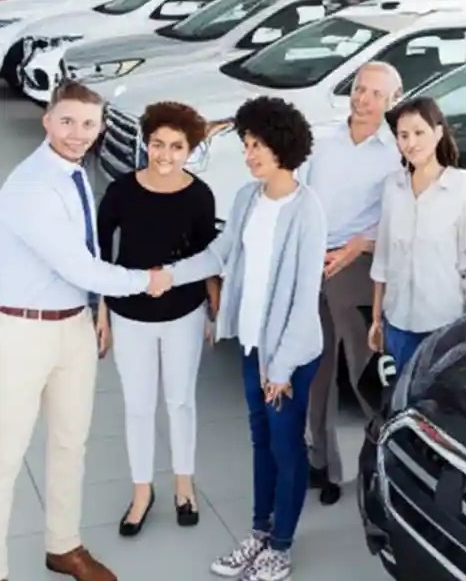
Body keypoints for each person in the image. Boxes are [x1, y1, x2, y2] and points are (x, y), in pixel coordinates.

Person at [0, 81, 172, 581]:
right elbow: (78, 265)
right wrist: (145, 281)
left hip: (72, 328)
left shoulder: (74, 173)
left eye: (88, 124)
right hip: (22, 333)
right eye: (67, 121)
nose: (77, 134)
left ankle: (63, 546)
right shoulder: (32, 186)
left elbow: (86, 257)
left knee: (70, 444)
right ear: (47, 119)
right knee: (3, 458)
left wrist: (96, 310)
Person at [164, 96, 327, 581]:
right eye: (246, 145)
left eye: (256, 145)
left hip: (289, 356)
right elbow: (220, 253)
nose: (248, 154)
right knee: (260, 441)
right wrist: (168, 273)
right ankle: (259, 532)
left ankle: (281, 546)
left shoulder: (307, 210)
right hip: (253, 347)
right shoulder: (247, 199)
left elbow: (305, 298)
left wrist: (282, 368)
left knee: (286, 447)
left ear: (282, 145)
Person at [94, 101, 220, 536]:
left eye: (176, 146)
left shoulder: (200, 196)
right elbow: (101, 257)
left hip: (184, 312)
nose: (165, 155)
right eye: (157, 144)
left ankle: (184, 484)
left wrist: (213, 308)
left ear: (190, 150)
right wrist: (102, 311)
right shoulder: (121, 192)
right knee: (138, 405)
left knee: (180, 401)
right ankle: (141, 491)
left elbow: (207, 257)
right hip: (129, 313)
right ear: (146, 143)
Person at [300, 61, 403, 505]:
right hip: (313, 263)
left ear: (393, 100)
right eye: (360, 89)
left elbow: (399, 218)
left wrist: (359, 244)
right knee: (315, 369)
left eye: (376, 94)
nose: (364, 100)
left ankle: (384, 465)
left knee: (364, 372)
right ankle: (322, 463)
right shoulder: (322, 142)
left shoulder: (395, 152)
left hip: (358, 266)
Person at [369, 97, 466, 372]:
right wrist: (377, 318)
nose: (411, 143)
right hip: (397, 320)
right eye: (403, 135)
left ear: (437, 133)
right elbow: (383, 256)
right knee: (401, 391)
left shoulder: (459, 188)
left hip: (442, 322)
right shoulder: (393, 187)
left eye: (419, 133)